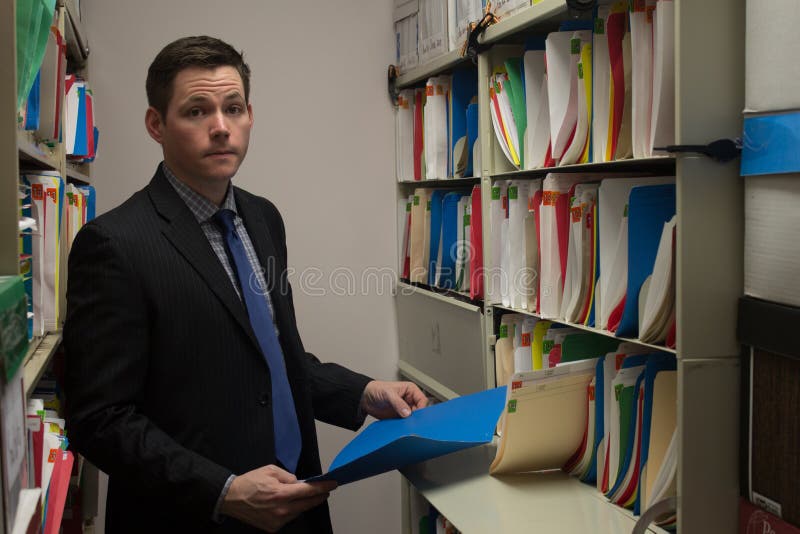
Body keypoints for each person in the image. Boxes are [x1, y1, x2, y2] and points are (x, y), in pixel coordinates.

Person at [63, 35, 427, 534]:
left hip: (297, 502)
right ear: (156, 124)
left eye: (233, 108)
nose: (220, 127)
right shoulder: (114, 243)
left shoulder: (261, 217)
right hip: (192, 516)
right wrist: (223, 491)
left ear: (250, 115)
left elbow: (272, 355)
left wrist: (363, 392)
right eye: (196, 111)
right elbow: (99, 420)